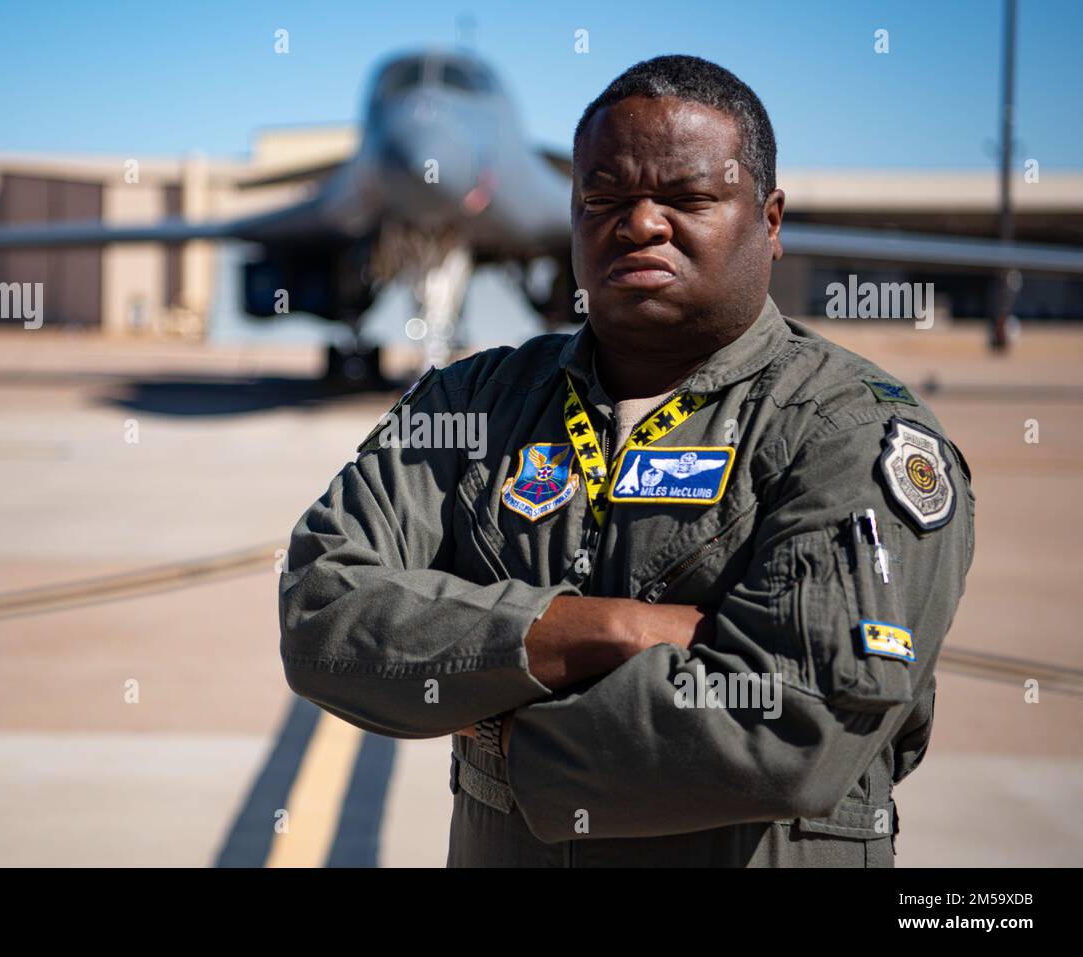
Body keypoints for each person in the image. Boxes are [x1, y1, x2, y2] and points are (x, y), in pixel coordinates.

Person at [278, 54, 975, 867]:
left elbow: (793, 722)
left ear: (771, 219)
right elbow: (321, 614)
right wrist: (603, 631)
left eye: (688, 197)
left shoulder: (850, 431)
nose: (640, 224)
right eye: (604, 198)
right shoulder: (475, 407)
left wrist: (495, 717)